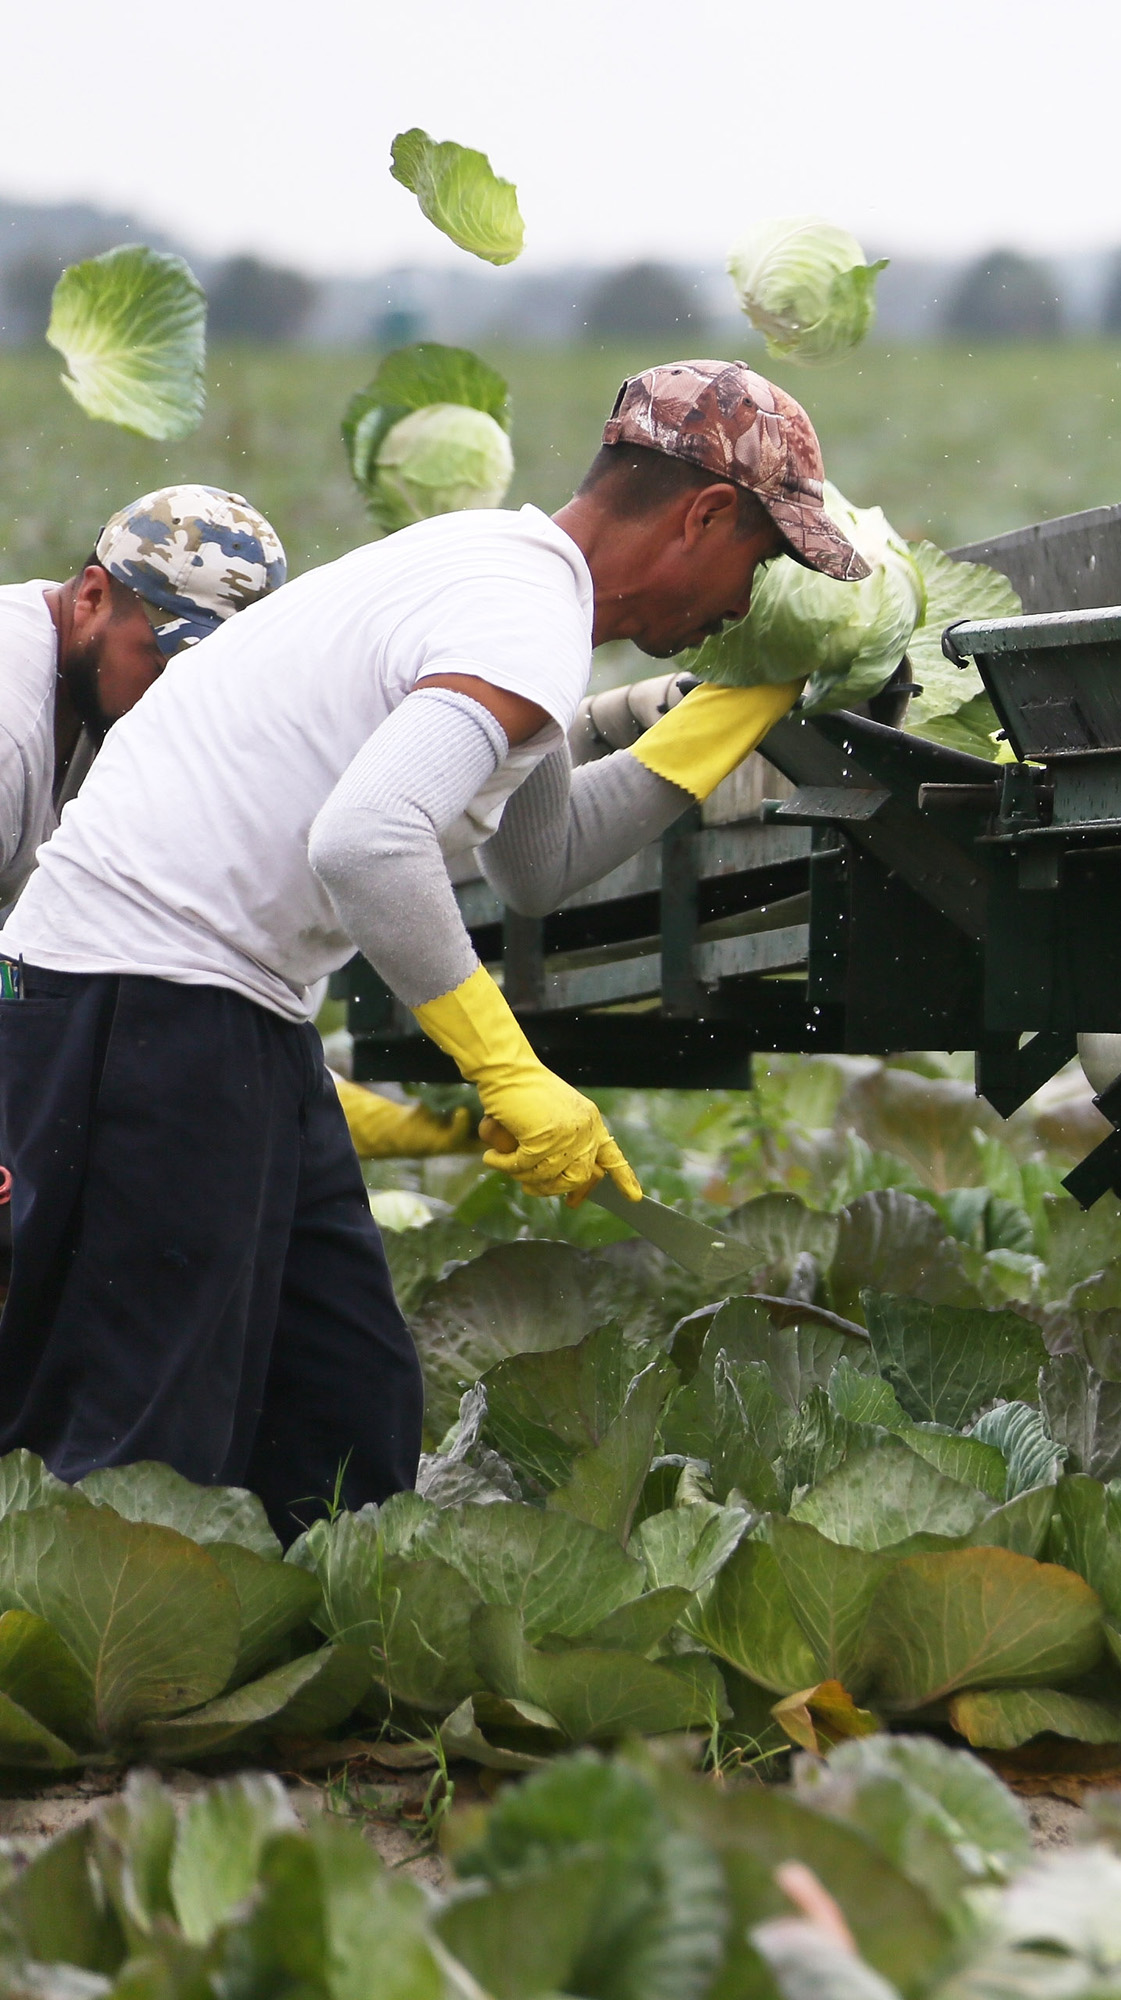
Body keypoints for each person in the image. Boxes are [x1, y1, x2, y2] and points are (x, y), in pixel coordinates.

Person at [0, 360, 869, 1536]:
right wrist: (505, 1068)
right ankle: (95, 1685)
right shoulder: (519, 612)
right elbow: (367, 842)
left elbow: (538, 857)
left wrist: (733, 712)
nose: (747, 599)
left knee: (344, 1399)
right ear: (704, 514)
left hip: (226, 1003)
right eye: (763, 560)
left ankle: (283, 1671)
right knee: (143, 1424)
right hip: (145, 997)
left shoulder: (506, 583)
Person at [0, 487, 288, 906]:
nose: (177, 702)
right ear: (93, 597)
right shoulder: (8, 732)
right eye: (163, 666)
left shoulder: (92, 681)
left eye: (205, 681)